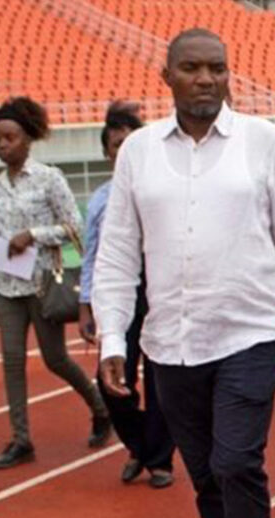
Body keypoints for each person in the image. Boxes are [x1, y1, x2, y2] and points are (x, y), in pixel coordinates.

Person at [92, 28, 275, 518]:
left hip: (248, 333)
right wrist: (114, 336)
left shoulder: (264, 143)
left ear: (229, 75)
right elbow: (117, 252)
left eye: (217, 68)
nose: (206, 79)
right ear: (167, 76)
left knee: (236, 463)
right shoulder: (137, 152)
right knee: (205, 478)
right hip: (169, 343)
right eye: (191, 68)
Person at [0, 96, 111, 470]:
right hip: (6, 284)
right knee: (11, 361)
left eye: (11, 137)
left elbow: (74, 228)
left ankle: (100, 408)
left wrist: (34, 234)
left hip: (41, 284)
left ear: (28, 139)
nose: (4, 145)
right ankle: (20, 439)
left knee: (55, 359)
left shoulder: (49, 178)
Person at [78, 109, 175, 489]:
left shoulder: (162, 190)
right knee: (112, 380)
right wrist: (87, 302)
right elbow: (92, 254)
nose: (123, 151)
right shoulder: (101, 199)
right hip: (120, 291)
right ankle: (139, 444)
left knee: (160, 379)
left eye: (129, 142)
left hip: (159, 288)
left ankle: (160, 458)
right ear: (107, 153)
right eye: (116, 145)